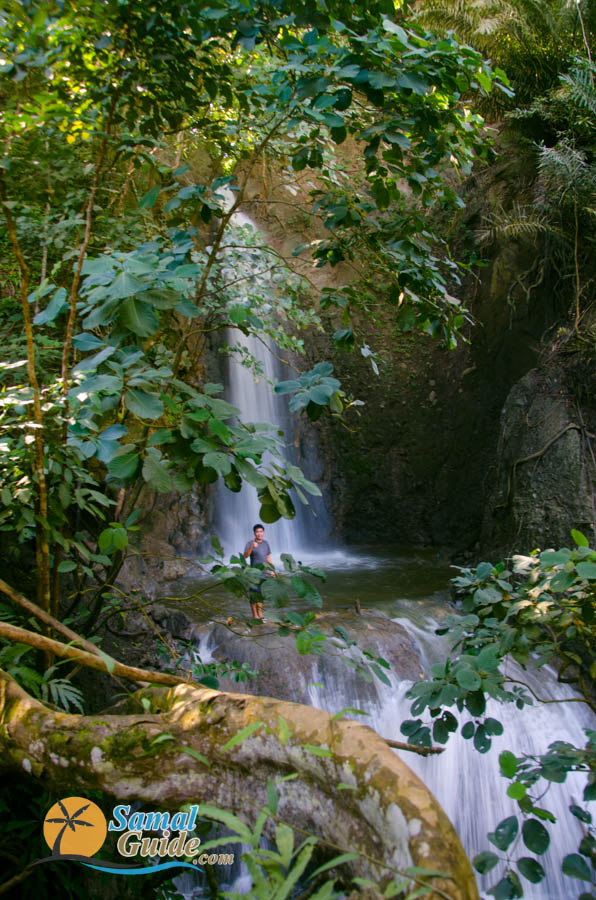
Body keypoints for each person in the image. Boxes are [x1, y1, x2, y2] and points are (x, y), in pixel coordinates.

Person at [243, 523, 274, 621]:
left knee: (261, 594)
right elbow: (245, 556)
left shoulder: (266, 543)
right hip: (253, 574)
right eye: (257, 532)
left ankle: (260, 615)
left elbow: (268, 557)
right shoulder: (249, 543)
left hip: (264, 573)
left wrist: (272, 570)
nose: (259, 533)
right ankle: (255, 615)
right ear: (254, 533)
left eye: (261, 531)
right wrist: (252, 547)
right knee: (253, 594)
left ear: (263, 533)